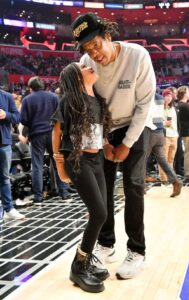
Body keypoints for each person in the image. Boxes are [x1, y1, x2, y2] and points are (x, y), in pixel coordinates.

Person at [71, 13, 156, 279]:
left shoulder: (137, 55)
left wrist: (127, 144)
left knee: (133, 185)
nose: (94, 53)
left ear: (108, 36)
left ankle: (137, 250)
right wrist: (106, 142)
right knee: (102, 187)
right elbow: (89, 109)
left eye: (96, 44)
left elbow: (145, 104)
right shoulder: (85, 64)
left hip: (137, 124)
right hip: (104, 129)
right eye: (87, 49)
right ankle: (106, 243)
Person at [52, 62, 111, 293]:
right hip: (77, 161)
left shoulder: (97, 98)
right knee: (99, 213)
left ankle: (83, 262)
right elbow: (56, 132)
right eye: (84, 67)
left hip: (96, 161)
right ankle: (78, 266)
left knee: (101, 213)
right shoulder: (68, 101)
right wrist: (59, 166)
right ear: (77, 78)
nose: (90, 66)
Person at [20, 77, 71, 205]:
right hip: (53, 133)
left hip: (36, 135)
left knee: (37, 165)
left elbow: (23, 120)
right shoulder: (53, 97)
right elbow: (60, 115)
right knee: (57, 162)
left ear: (30, 88)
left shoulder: (27, 99)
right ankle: (64, 194)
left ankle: (38, 198)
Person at [145, 92, 182, 197]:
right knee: (163, 160)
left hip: (150, 132)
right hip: (160, 133)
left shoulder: (146, 96)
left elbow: (148, 117)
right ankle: (175, 181)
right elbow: (158, 119)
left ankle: (141, 185)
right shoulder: (159, 98)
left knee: (142, 159)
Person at [0, 89, 25, 221]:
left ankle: (8, 208)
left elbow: (17, 117)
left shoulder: (7, 96)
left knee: (4, 177)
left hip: (4, 144)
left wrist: (6, 115)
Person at [158, 89, 180, 184]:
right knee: (164, 158)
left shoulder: (173, 108)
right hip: (165, 135)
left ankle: (170, 176)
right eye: (167, 96)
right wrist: (164, 123)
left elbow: (176, 122)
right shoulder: (159, 108)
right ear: (163, 97)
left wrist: (177, 134)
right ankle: (163, 178)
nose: (169, 98)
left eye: (170, 96)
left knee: (171, 158)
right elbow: (154, 121)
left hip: (174, 135)